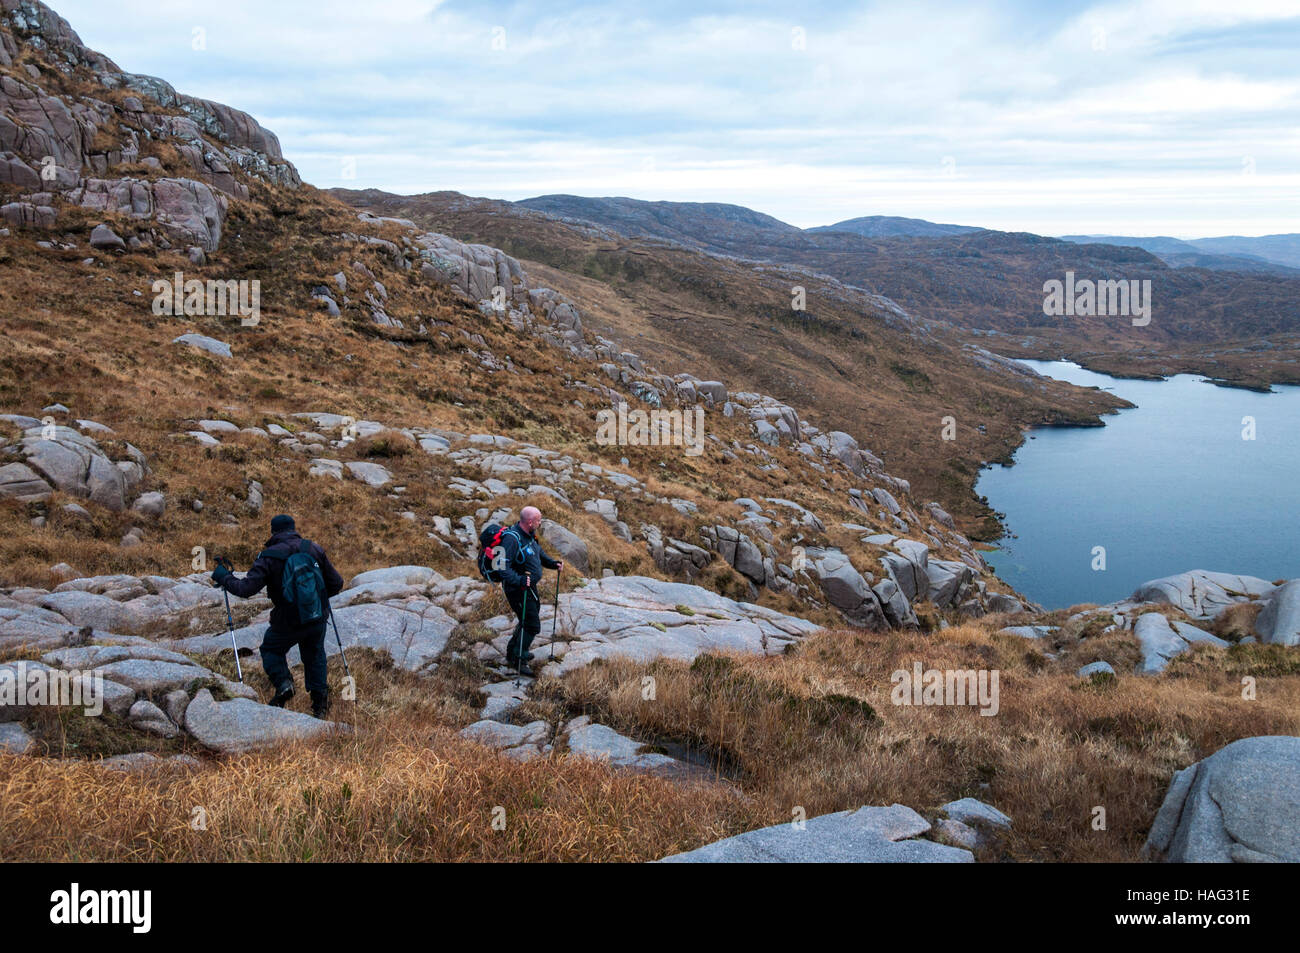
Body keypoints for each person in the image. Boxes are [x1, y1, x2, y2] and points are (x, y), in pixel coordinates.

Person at [212, 514, 344, 717]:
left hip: (287, 619)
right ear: (293, 528)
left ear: (273, 532)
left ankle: (284, 685)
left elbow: (246, 589)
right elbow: (336, 583)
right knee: (315, 656)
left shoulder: (269, 556)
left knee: (271, 649)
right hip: (316, 617)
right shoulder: (313, 549)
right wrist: (316, 599)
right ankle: (320, 707)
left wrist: (224, 577)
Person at [497, 506, 563, 667]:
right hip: (517, 589)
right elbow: (500, 566)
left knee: (526, 620)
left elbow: (537, 553)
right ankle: (520, 658)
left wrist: (552, 564)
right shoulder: (512, 539)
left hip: (528, 587)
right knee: (532, 624)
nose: (540, 523)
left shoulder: (529, 535)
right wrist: (519, 580)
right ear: (530, 521)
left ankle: (512, 652)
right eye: (538, 520)